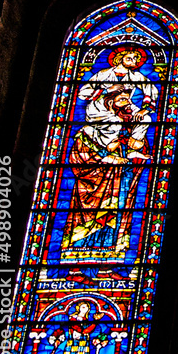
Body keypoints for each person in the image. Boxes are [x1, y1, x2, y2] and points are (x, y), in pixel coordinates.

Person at [62, 83, 152, 262]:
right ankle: (75, 266)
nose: (127, 103)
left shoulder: (123, 127)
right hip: (93, 188)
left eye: (128, 100)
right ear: (110, 102)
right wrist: (106, 159)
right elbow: (78, 159)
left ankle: (108, 265)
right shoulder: (87, 132)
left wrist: (135, 154)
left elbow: (128, 149)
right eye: (122, 100)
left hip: (118, 185)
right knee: (86, 225)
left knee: (113, 223)